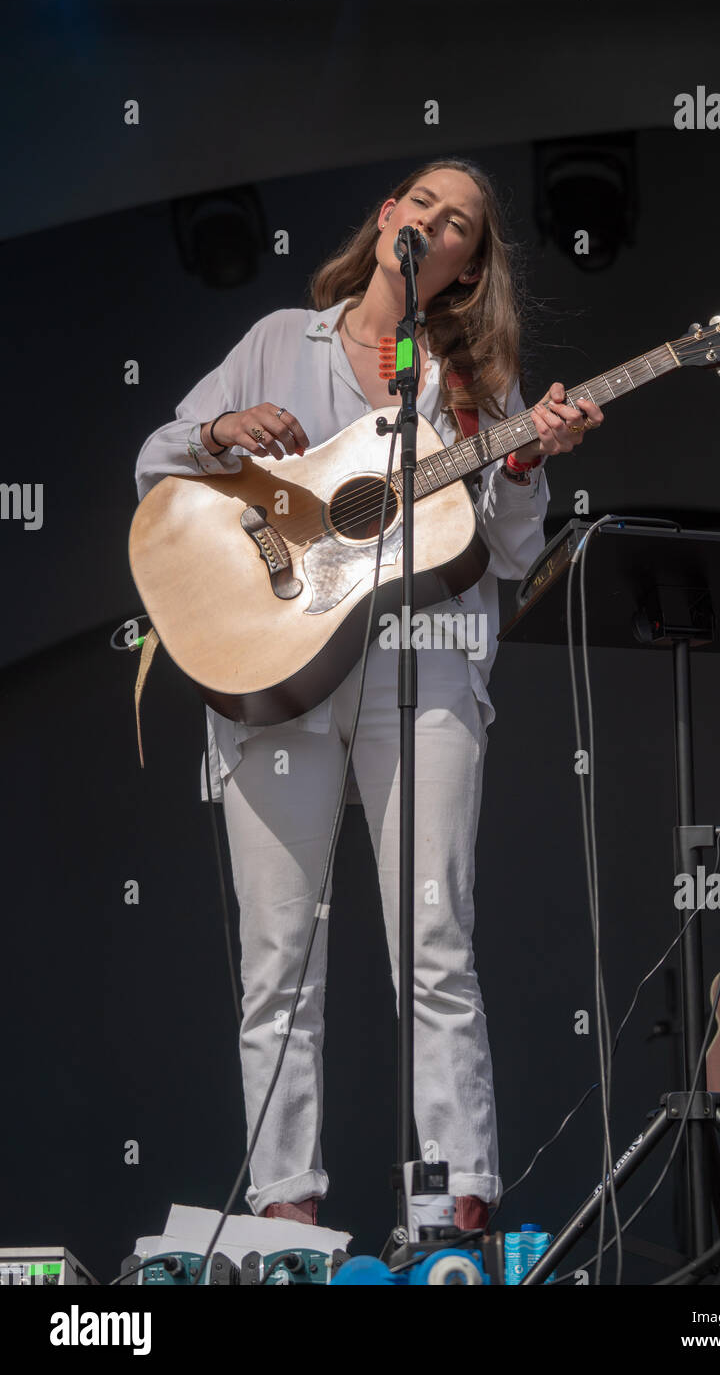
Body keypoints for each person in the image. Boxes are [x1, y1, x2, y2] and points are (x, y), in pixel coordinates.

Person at [134, 157, 603, 1233]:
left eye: (461, 226)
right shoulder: (275, 343)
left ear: (464, 266)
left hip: (424, 667)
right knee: (278, 954)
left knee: (436, 940)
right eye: (423, 204)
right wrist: (217, 436)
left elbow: (511, 551)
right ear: (388, 219)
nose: (435, 223)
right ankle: (286, 1212)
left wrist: (526, 467)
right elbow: (155, 465)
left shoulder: (478, 383)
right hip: (277, 668)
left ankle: (453, 1204)